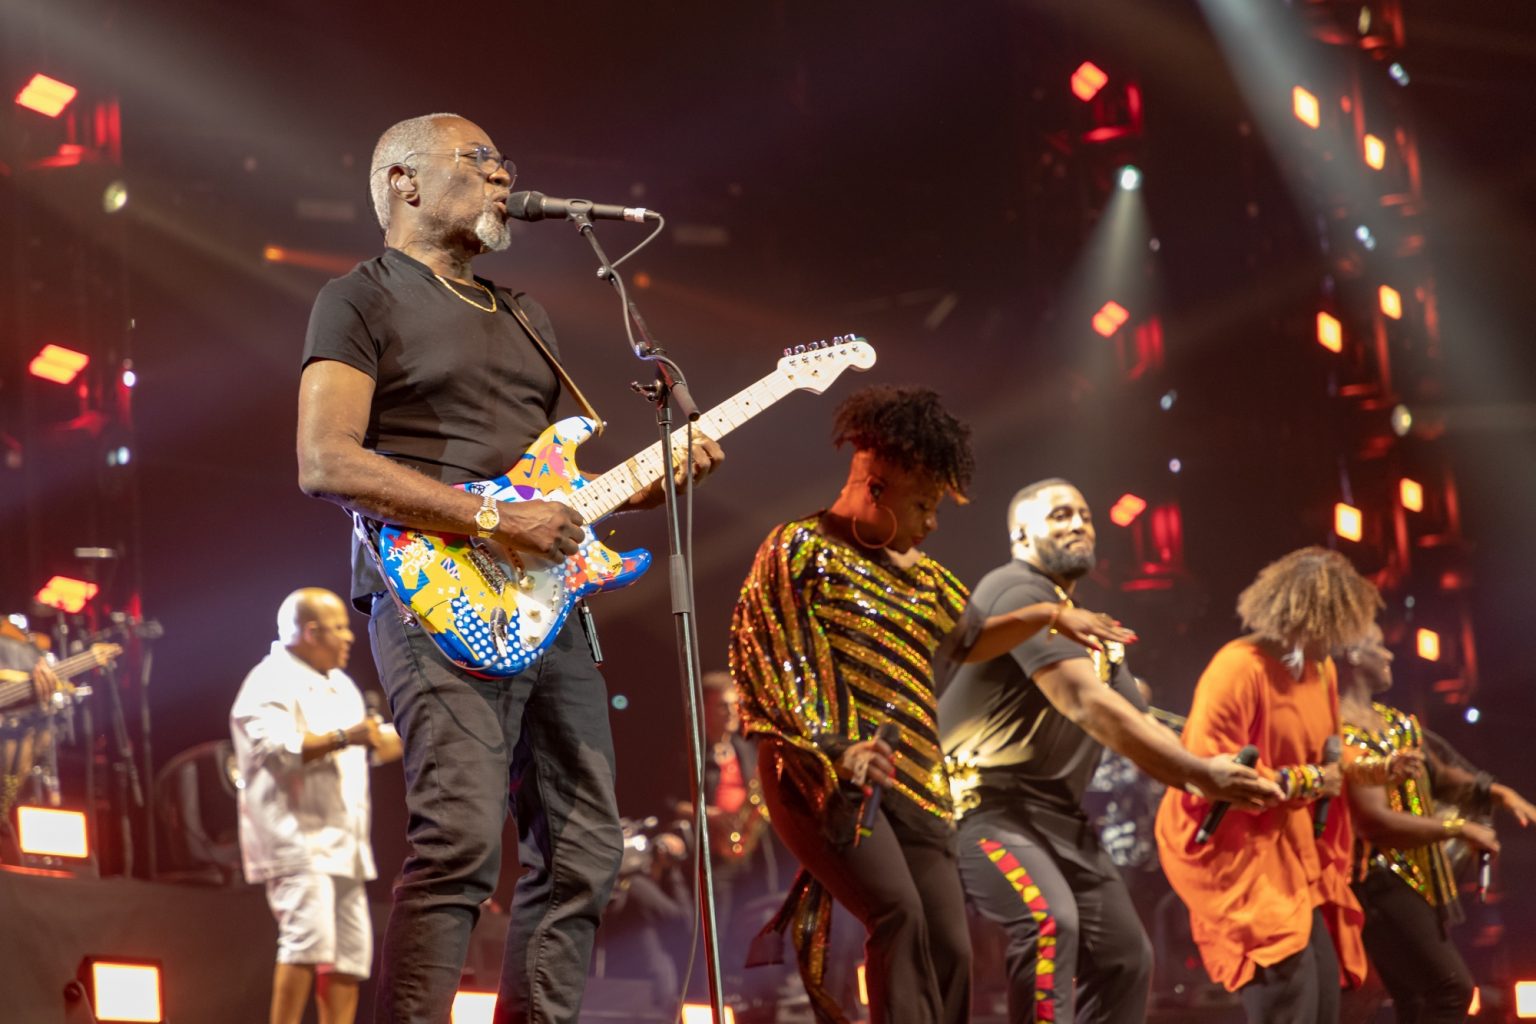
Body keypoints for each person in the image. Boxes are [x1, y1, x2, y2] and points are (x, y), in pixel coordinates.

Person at [295, 112, 721, 1022]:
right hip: (429, 593)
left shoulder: (525, 314)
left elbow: (554, 489)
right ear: (404, 182)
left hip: (547, 603)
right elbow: (326, 461)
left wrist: (644, 484)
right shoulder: (357, 298)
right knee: (456, 840)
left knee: (582, 851)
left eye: (504, 164)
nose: (503, 178)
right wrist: (492, 518)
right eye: (479, 161)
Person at [729, 386, 1133, 1024]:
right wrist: (836, 748)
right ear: (877, 486)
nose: (933, 521)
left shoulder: (921, 573)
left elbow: (968, 639)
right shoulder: (797, 550)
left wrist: (1052, 614)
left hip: (912, 780)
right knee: (900, 916)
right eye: (924, 503)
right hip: (819, 775)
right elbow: (774, 667)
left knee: (949, 944)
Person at [939, 479, 1280, 1024]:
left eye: (1084, 515)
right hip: (986, 808)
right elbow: (1085, 702)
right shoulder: (1015, 589)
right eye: (1059, 516)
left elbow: (1139, 725)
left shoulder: (1087, 628)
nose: (1078, 523)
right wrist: (1200, 775)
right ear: (1020, 534)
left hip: (1056, 816)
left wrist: (1210, 772)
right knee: (1050, 922)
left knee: (1124, 957)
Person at [1154, 547, 1412, 1024]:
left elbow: (1328, 750)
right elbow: (1215, 774)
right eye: (1333, 628)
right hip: (1234, 852)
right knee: (1287, 994)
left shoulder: (1321, 671)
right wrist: (1313, 780)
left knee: (1321, 998)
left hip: (1289, 854)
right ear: (1305, 619)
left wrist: (1379, 768)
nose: (1338, 643)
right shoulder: (1238, 668)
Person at [1337, 623, 1532, 1023]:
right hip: (1377, 881)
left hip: (1419, 879)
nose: (1390, 654)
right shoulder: (1340, 732)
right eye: (1379, 646)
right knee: (1450, 989)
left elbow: (1441, 776)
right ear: (1354, 657)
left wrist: (1500, 793)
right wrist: (1458, 829)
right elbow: (1374, 822)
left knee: (1419, 999)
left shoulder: (1395, 723)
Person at [230, 588, 403, 1024]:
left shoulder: (339, 684)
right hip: (298, 841)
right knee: (307, 943)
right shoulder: (268, 681)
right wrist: (348, 736)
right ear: (310, 631)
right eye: (340, 627)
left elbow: (373, 743)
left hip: (344, 843)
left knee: (348, 955)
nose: (349, 637)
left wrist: (426, 733)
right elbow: (277, 749)